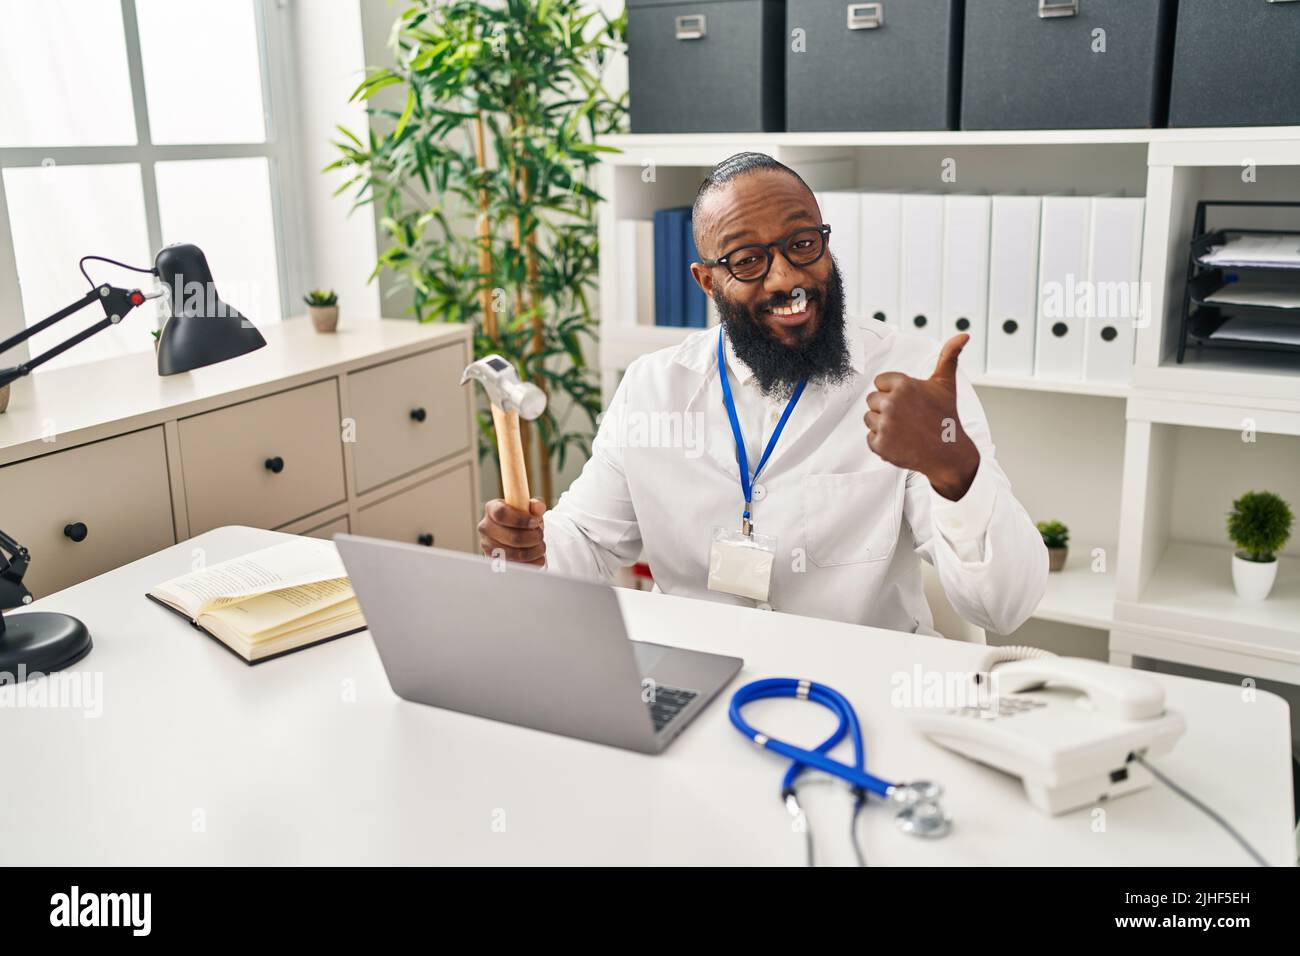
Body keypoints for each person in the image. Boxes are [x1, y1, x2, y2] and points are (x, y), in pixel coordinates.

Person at [478, 151, 1046, 636]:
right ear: (707, 281)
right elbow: (588, 544)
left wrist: (954, 467)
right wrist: (532, 544)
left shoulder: (916, 378)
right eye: (748, 260)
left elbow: (1004, 609)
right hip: (699, 680)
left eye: (803, 243)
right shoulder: (653, 387)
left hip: (859, 688)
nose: (785, 279)